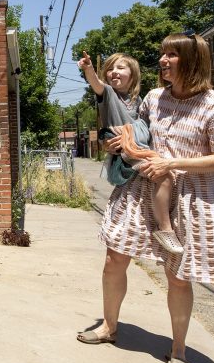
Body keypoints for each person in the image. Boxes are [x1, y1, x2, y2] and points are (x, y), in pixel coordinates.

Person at [76, 33, 214, 363]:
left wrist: (172, 164)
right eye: (163, 54)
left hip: (191, 197)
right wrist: (115, 145)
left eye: (172, 55)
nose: (162, 60)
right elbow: (136, 133)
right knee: (113, 258)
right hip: (142, 188)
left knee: (176, 276)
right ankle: (109, 326)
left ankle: (178, 347)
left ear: (193, 61)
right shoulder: (153, 98)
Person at [77, 51, 183, 254]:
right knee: (164, 176)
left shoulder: (139, 100)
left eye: (120, 68)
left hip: (138, 148)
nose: (113, 72)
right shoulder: (108, 93)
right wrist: (89, 69)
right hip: (129, 150)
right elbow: (97, 84)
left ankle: (159, 222)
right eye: (110, 69)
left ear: (133, 75)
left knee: (162, 179)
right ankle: (165, 228)